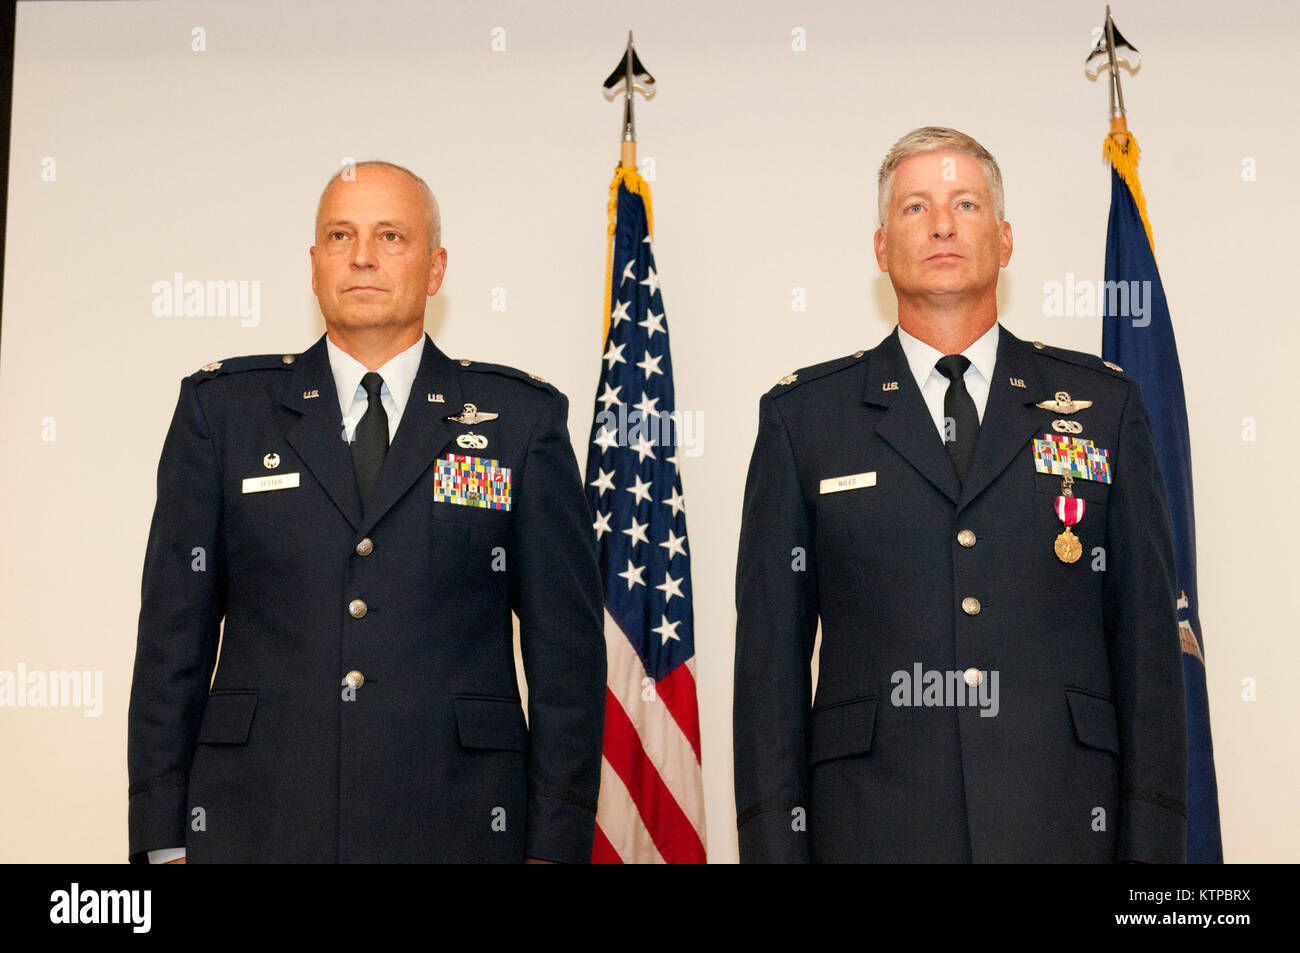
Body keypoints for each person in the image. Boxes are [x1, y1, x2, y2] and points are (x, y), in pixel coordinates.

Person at [127, 161, 606, 863]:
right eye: (340, 235)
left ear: (436, 267)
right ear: (315, 263)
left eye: (390, 236)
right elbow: (171, 644)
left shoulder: (519, 423)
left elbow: (567, 657)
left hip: (462, 823)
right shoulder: (223, 414)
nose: (362, 256)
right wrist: (162, 838)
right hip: (255, 823)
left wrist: (553, 843)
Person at [732, 127, 1187, 863]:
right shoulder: (804, 419)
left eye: (965, 203)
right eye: (915, 207)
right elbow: (768, 676)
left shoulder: (1104, 408)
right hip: (872, 828)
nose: (942, 223)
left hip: (1064, 822)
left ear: (1004, 240)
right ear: (881, 249)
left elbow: (1149, 662)